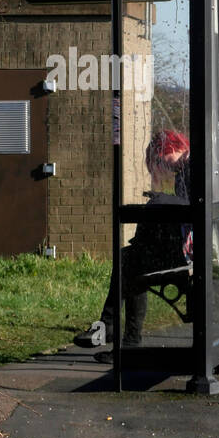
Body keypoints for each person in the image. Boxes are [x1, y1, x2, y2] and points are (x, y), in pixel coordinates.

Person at [74, 129, 191, 349]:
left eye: (160, 159)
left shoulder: (191, 169)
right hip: (188, 249)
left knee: (130, 263)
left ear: (172, 148)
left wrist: (162, 201)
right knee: (129, 260)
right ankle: (121, 336)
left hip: (189, 254)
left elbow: (192, 208)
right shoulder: (185, 171)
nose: (162, 166)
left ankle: (118, 334)